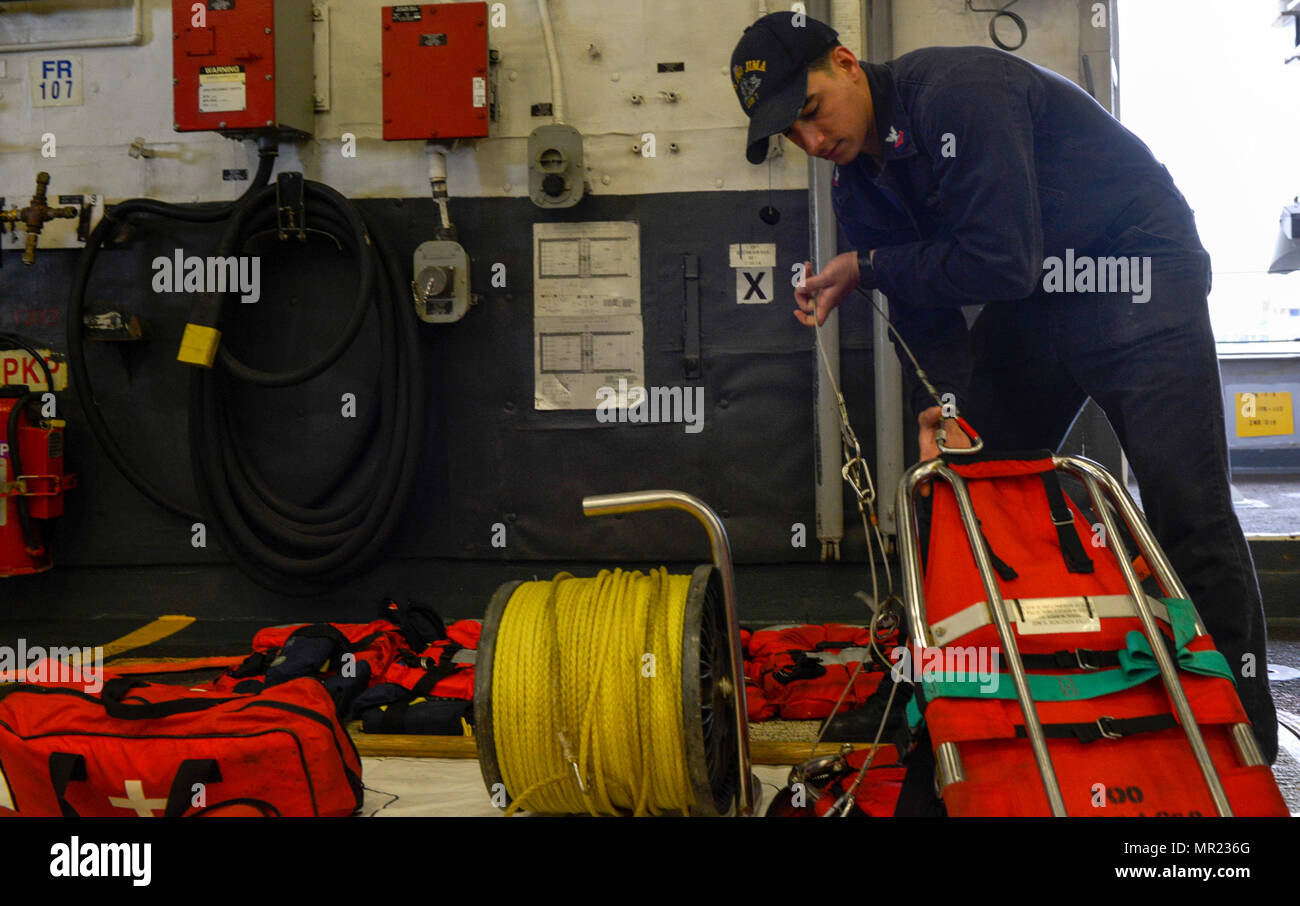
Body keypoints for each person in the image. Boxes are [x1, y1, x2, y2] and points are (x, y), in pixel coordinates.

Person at [729, 11, 1278, 764]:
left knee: (1187, 511)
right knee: (960, 486)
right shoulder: (857, 185)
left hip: (1138, 273)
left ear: (849, 63)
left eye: (812, 113)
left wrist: (868, 268)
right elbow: (928, 324)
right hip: (1041, 300)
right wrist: (949, 410)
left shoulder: (959, 93)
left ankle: (1242, 736)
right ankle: (988, 705)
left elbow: (997, 261)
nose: (813, 143)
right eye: (792, 136)